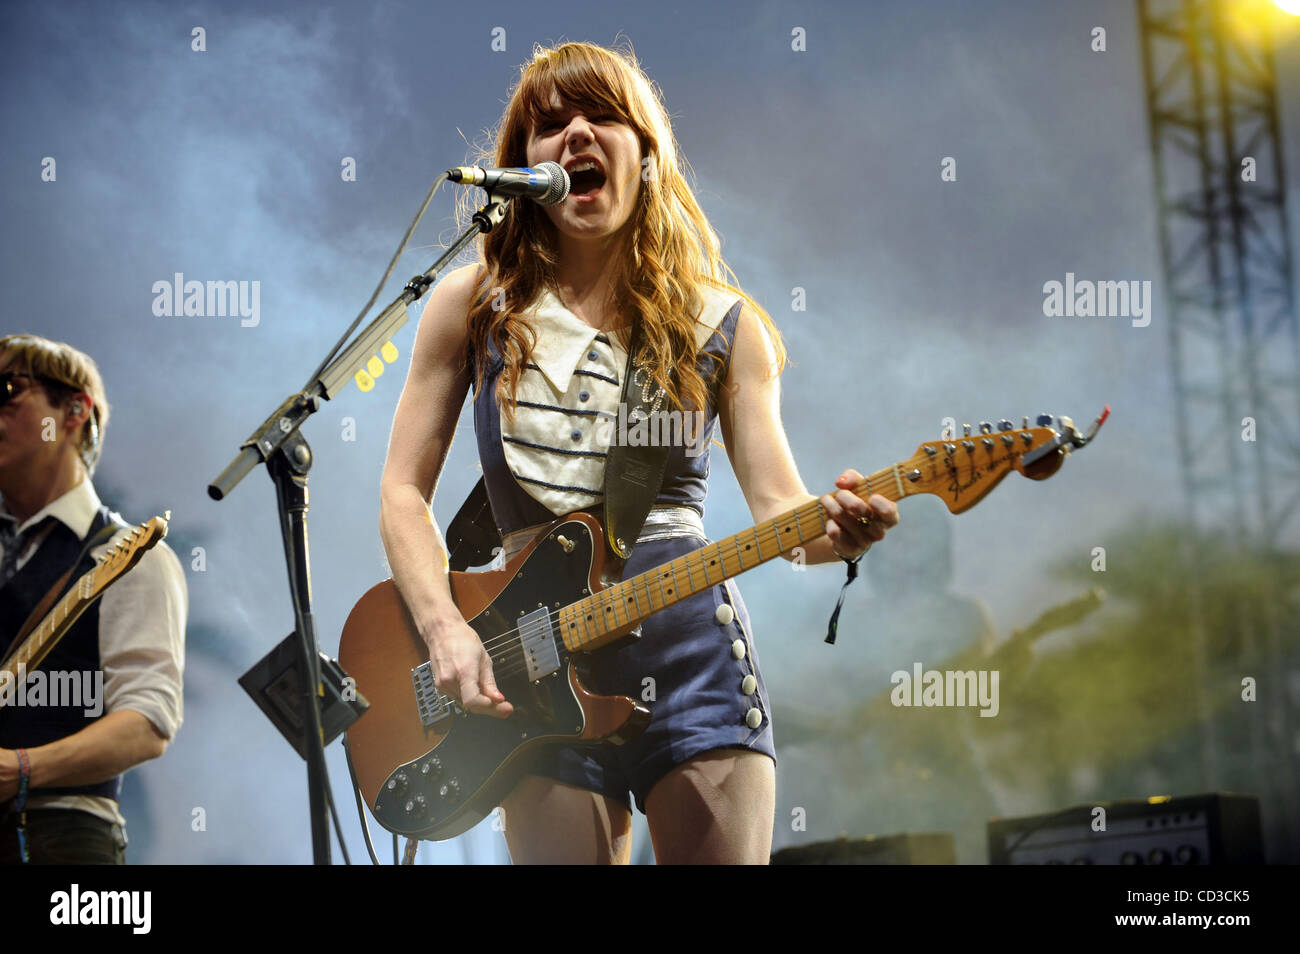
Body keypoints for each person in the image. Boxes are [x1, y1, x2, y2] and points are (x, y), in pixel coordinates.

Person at [379, 40, 897, 864]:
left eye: (602, 117)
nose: (576, 136)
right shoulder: (471, 304)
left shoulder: (723, 323)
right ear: (522, 166)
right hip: (535, 661)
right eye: (550, 125)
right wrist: (444, 629)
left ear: (646, 153)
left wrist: (836, 530)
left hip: (689, 651)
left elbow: (781, 512)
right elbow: (403, 492)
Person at [0, 334, 186, 864]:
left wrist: (22, 768)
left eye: (7, 391)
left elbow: (148, 721)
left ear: (74, 410)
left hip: (59, 841)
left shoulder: (131, 557)